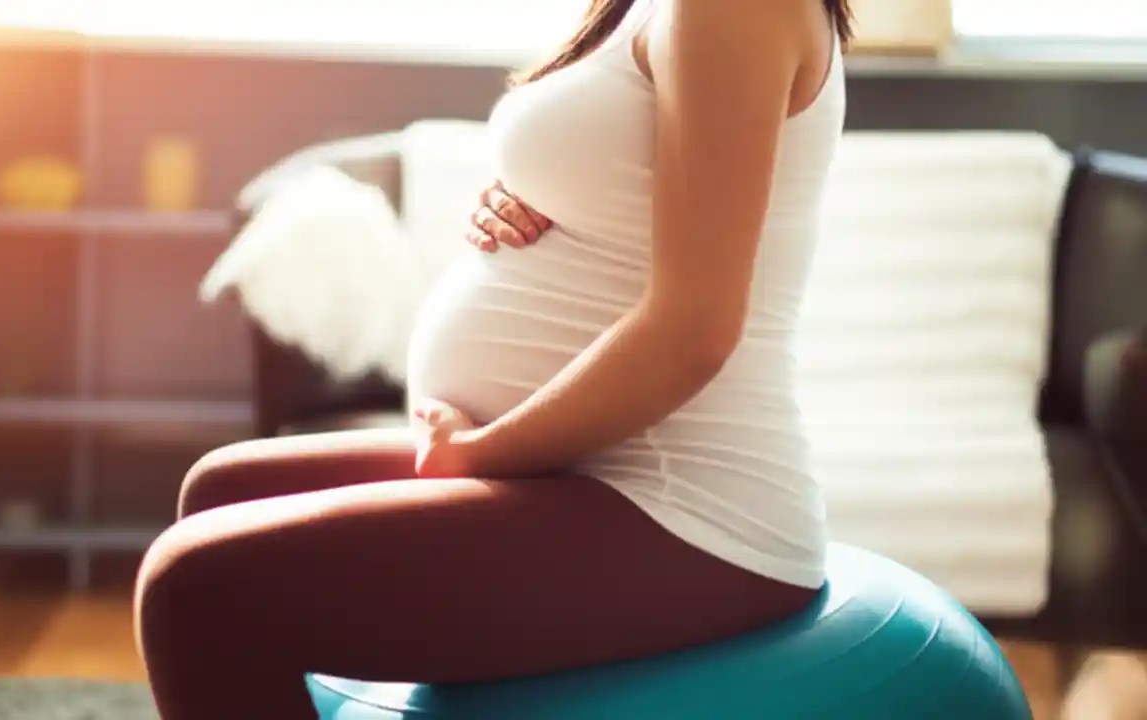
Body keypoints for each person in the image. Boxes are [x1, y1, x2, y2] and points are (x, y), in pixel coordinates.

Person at [136, 0, 850, 717]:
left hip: (687, 506)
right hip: (585, 473)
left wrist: (481, 453)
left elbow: (695, 330)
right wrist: (534, 192)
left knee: (193, 588)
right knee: (221, 490)